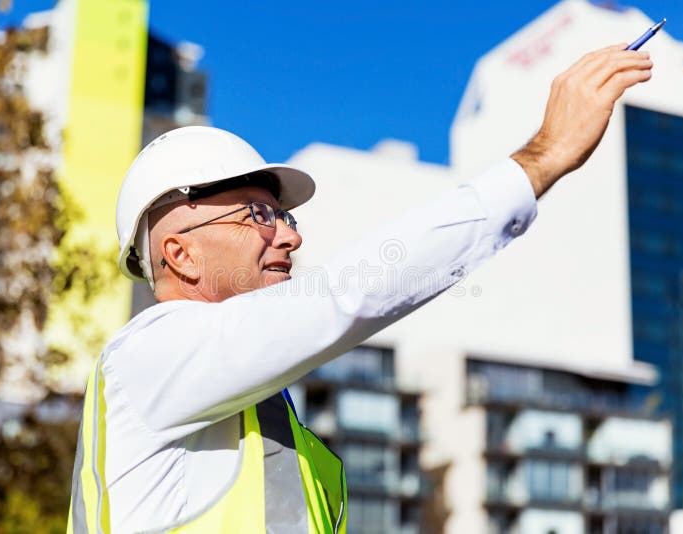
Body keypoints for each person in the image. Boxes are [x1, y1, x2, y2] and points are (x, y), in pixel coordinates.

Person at [67, 45, 653, 533]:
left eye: (285, 218)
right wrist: (542, 158)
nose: (290, 239)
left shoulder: (260, 414)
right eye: (257, 215)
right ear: (179, 253)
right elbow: (351, 293)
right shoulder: (149, 357)